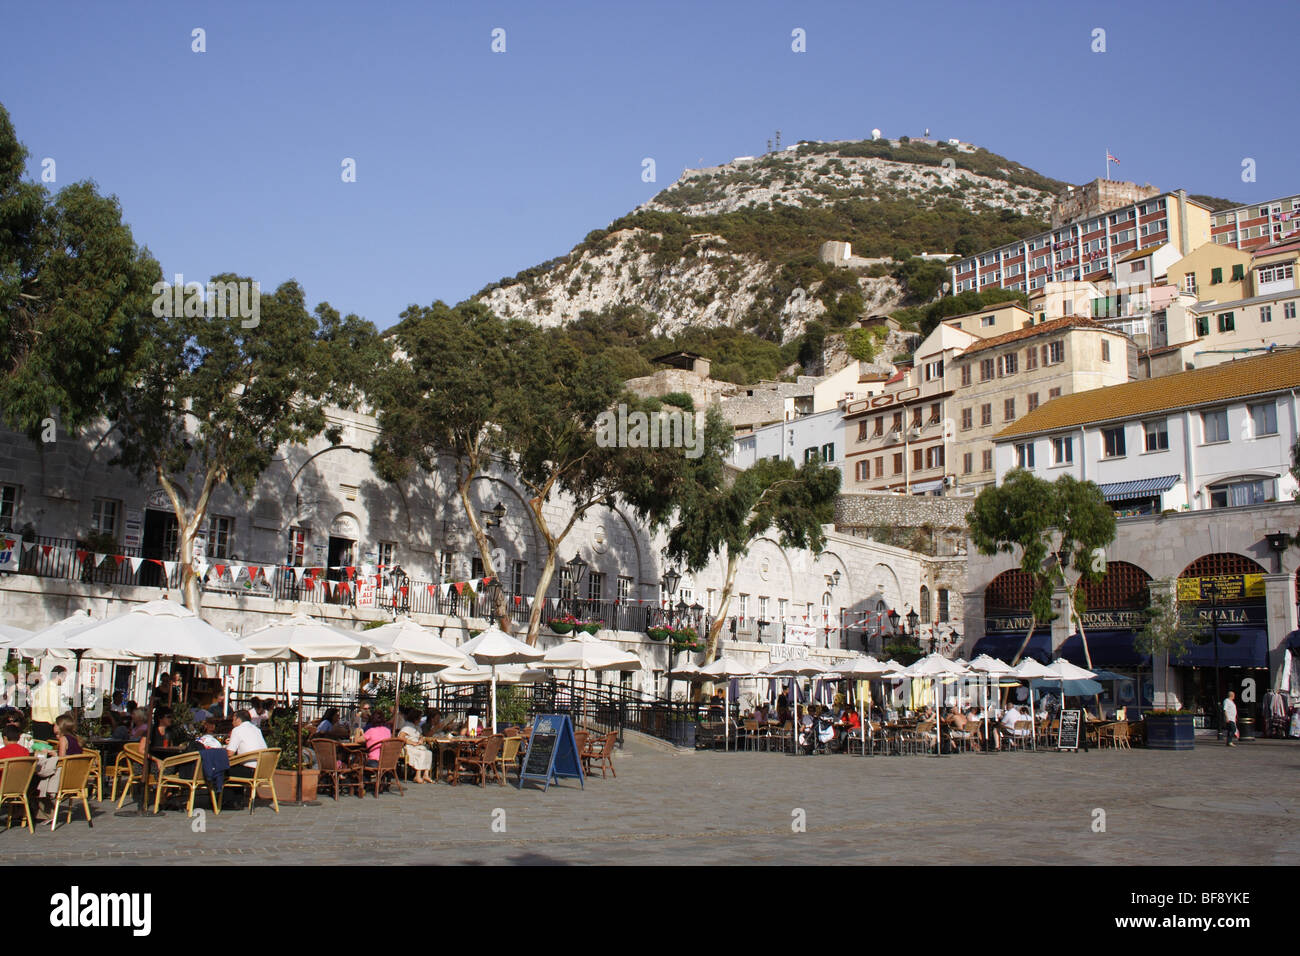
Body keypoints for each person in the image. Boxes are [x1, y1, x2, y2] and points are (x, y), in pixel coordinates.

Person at [397, 708, 434, 784]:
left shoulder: (417, 727)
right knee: (421, 754)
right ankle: (417, 775)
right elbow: (400, 737)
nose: (420, 720)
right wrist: (412, 742)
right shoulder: (407, 727)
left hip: (417, 746)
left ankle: (425, 774)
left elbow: (420, 735)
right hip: (409, 746)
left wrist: (421, 739)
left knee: (428, 753)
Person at [31, 665, 67, 739]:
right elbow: (53, 709)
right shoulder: (52, 689)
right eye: (64, 677)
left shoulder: (42, 688)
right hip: (46, 725)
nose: (65, 680)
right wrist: (58, 724)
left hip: (36, 723)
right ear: (58, 676)